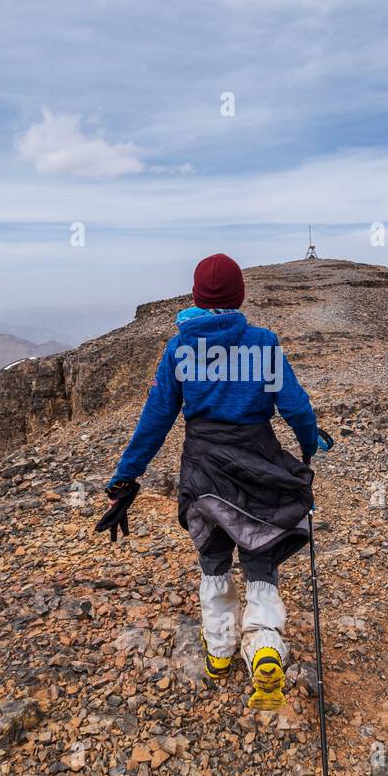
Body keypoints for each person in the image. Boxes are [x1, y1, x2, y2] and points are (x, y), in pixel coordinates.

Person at [101, 253, 330, 710]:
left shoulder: (179, 351)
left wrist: (125, 477)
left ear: (196, 296)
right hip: (258, 460)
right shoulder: (262, 344)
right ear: (240, 295)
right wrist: (308, 443)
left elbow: (156, 419)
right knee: (259, 546)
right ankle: (264, 646)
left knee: (214, 554)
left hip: (203, 467)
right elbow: (296, 406)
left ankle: (220, 651)